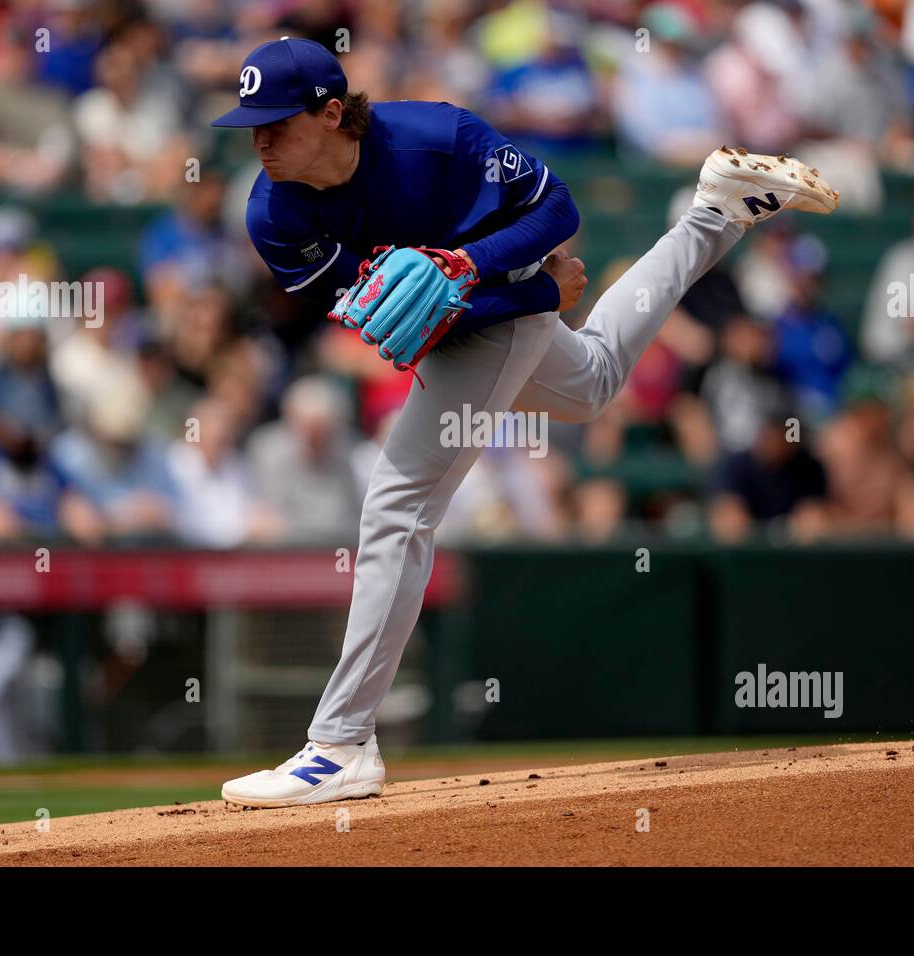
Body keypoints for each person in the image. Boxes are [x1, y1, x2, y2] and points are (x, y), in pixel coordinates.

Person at [214, 38, 838, 808]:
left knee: (398, 505)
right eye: (252, 124)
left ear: (332, 112)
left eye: (276, 120)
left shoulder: (434, 138)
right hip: (490, 314)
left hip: (496, 294)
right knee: (596, 382)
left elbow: (558, 208)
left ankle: (340, 744)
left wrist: (475, 271)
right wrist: (538, 297)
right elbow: (393, 325)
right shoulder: (272, 215)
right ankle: (713, 210)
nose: (260, 138)